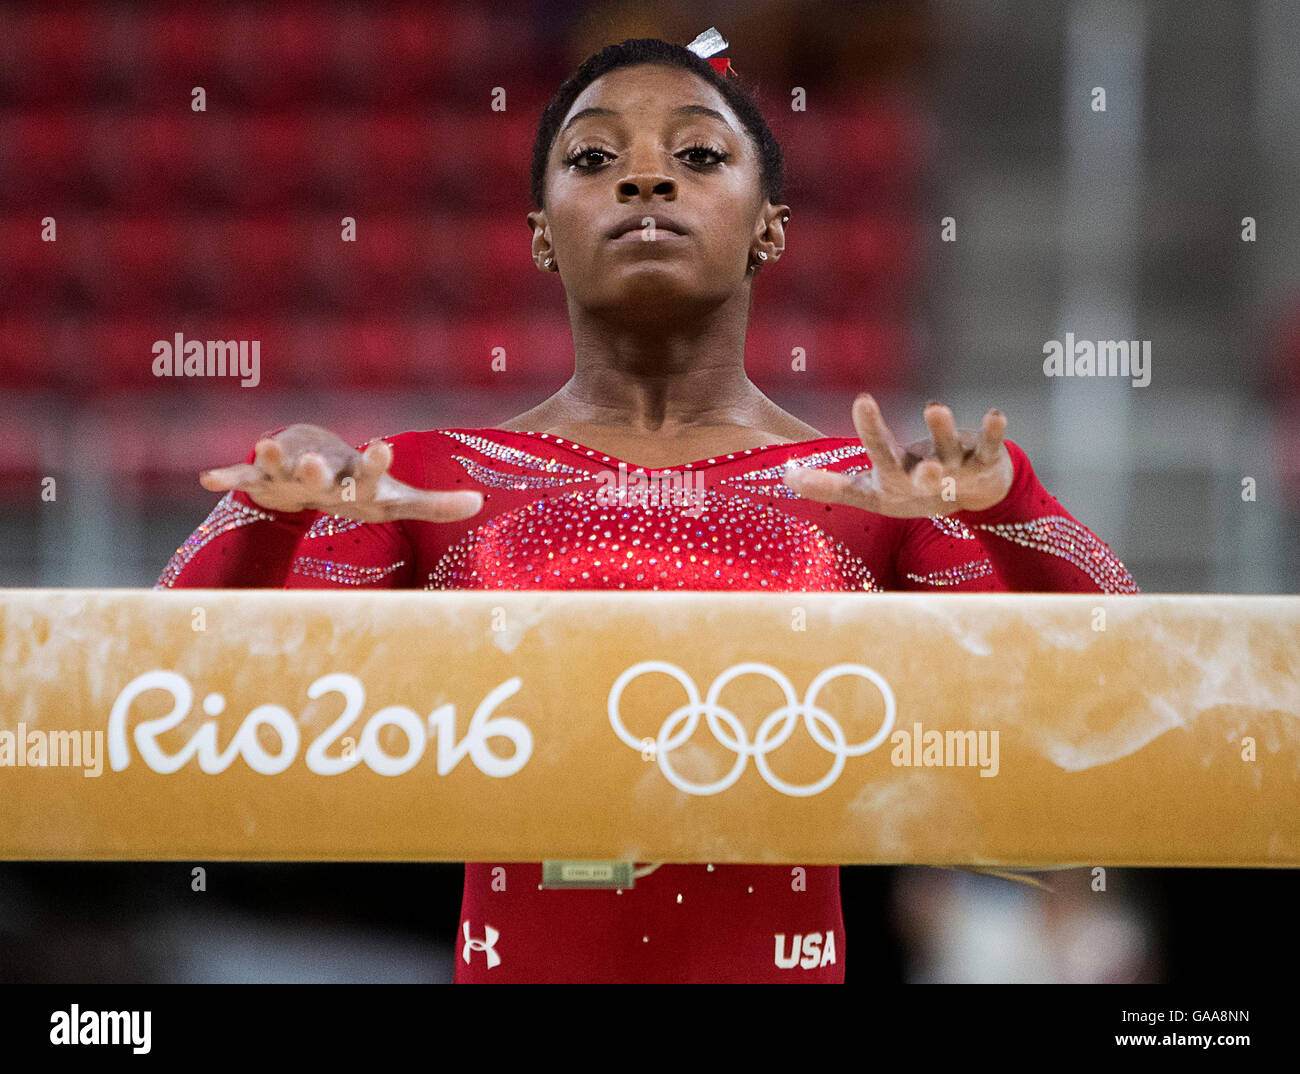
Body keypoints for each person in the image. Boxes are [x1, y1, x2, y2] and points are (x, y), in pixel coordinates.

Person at [157, 37, 1139, 982]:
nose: (645, 180)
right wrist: (268, 515)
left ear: (770, 224)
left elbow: (1122, 693)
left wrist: (1006, 502)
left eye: (698, 155)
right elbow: (163, 700)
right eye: (594, 158)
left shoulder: (871, 492)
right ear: (543, 231)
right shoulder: (425, 480)